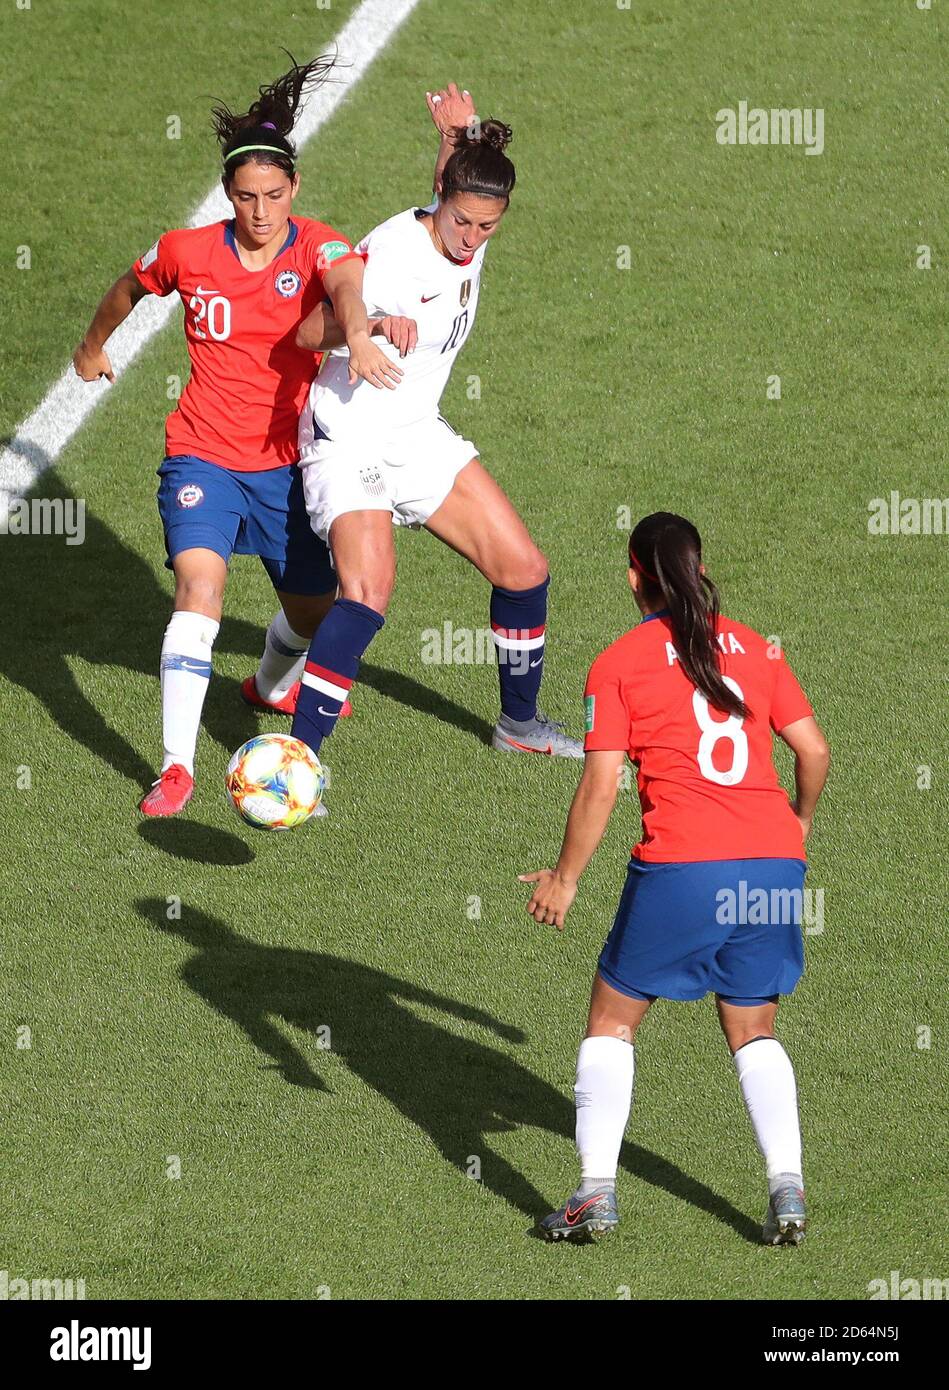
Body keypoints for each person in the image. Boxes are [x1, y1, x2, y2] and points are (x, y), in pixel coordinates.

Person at [72, 56, 412, 816]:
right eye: (247, 197)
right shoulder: (187, 252)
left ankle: (268, 686)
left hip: (287, 465)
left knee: (315, 612)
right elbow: (130, 286)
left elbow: (347, 284)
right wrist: (95, 347)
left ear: (294, 189)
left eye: (274, 195)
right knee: (200, 588)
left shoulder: (316, 245)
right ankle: (176, 767)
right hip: (201, 454)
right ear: (228, 194)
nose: (261, 211)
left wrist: (356, 332)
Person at [518, 512, 830, 1244]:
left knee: (612, 1021)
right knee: (751, 1028)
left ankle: (595, 1191)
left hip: (684, 866)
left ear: (636, 577)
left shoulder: (618, 661)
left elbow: (600, 786)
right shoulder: (756, 646)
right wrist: (798, 823)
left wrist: (565, 878)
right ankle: (785, 1187)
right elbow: (812, 752)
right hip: (772, 862)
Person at [277, 84, 583, 781]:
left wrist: (455, 135)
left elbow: (449, 209)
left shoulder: (459, 215)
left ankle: (520, 725)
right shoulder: (388, 252)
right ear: (443, 202)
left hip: (414, 432)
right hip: (349, 437)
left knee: (524, 570)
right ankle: (296, 764)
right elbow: (305, 332)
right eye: (464, 223)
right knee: (367, 593)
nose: (471, 239)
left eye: (487, 228)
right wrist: (369, 327)